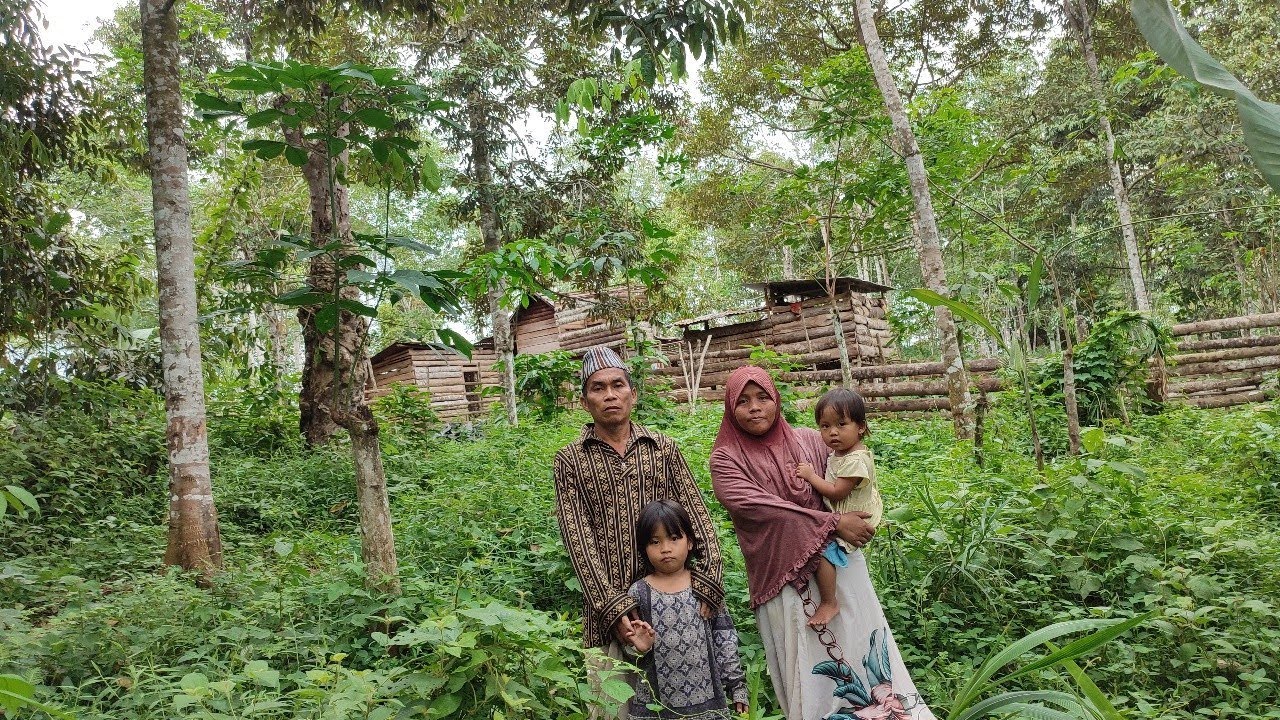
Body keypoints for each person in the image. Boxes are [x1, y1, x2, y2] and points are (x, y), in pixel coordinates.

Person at [709, 366, 934, 720]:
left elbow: (852, 482)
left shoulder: (810, 440)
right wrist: (834, 522)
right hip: (781, 578)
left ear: (777, 400)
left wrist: (858, 515)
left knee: (865, 649)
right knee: (811, 673)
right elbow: (761, 509)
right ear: (729, 408)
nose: (755, 407)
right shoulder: (726, 460)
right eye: (744, 401)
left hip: (840, 568)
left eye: (763, 397)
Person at [554, 346, 725, 718]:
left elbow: (697, 517)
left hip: (675, 606)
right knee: (613, 710)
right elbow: (577, 538)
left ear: (633, 393)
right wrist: (616, 610)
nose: (610, 395)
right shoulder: (570, 459)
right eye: (598, 388)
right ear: (585, 402)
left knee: (682, 709)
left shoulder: (662, 449)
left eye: (618, 385)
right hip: (608, 619)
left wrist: (709, 580)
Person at [621, 499, 749, 720]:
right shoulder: (639, 592)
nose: (666, 548)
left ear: (689, 542)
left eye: (674, 538)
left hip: (707, 702)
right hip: (656, 707)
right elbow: (630, 646)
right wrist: (639, 648)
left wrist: (736, 685)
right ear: (644, 548)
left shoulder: (704, 587)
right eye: (655, 541)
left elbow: (724, 637)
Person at [794, 388, 883, 628]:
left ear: (861, 427)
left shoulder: (854, 459)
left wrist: (810, 476)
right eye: (825, 426)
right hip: (849, 509)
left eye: (841, 424)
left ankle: (829, 601)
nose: (833, 432)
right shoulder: (843, 452)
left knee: (823, 549)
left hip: (855, 514)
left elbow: (837, 491)